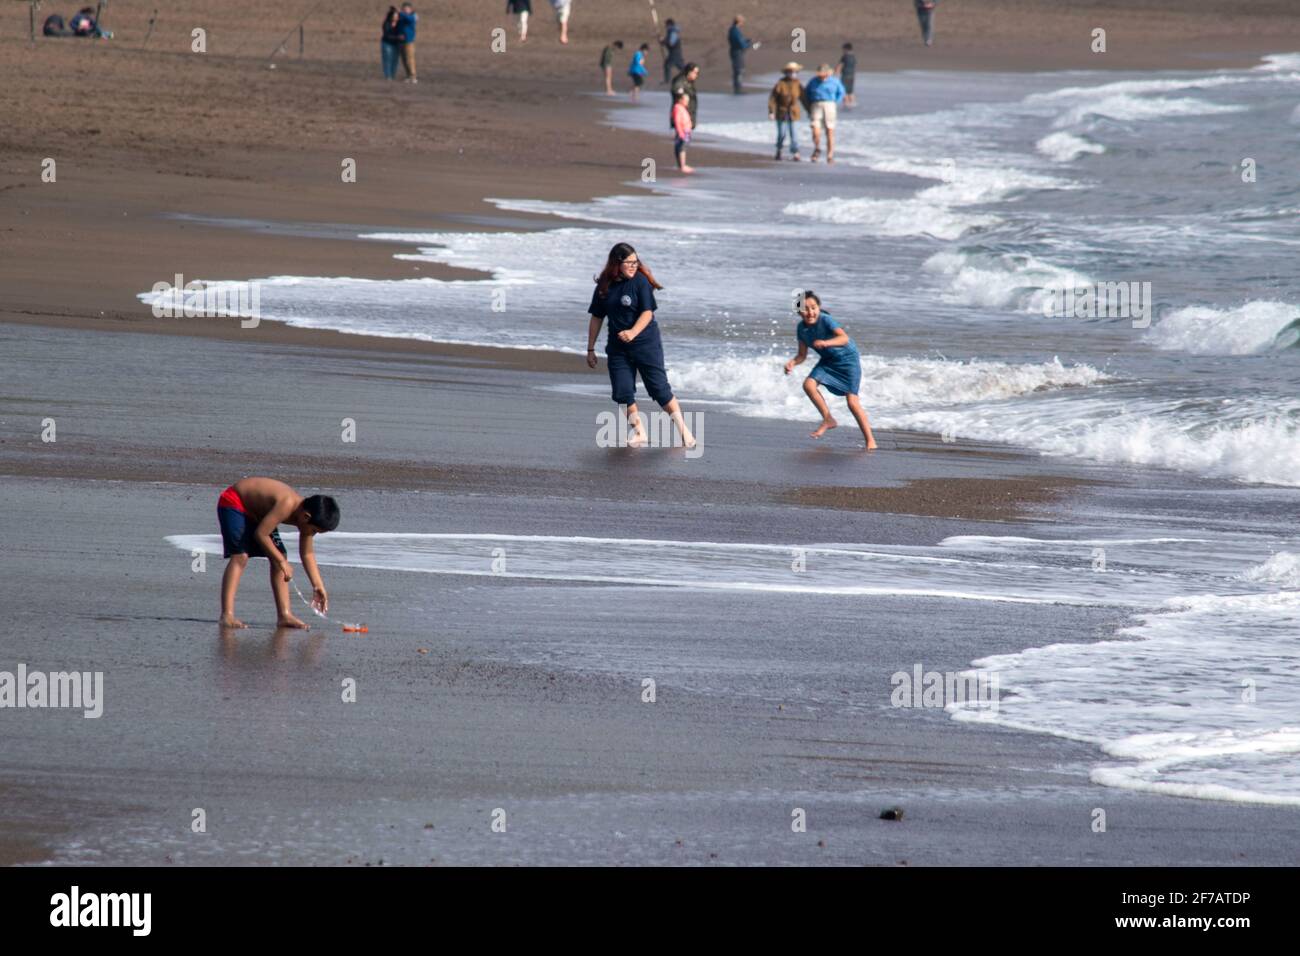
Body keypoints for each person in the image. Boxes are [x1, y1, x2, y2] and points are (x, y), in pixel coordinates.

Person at [585, 243, 696, 450]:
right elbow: (596, 317)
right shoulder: (604, 287)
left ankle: (684, 432)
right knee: (622, 392)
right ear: (617, 263)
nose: (634, 266)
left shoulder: (640, 282)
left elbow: (647, 313)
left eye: (636, 262)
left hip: (646, 345)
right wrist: (590, 348)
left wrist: (633, 332)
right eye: (629, 263)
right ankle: (639, 432)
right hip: (618, 349)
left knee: (659, 389)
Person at [216, 478, 341, 629]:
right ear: (305, 517)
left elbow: (307, 554)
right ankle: (227, 615)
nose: (312, 535)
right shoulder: (287, 504)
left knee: (280, 555)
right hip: (235, 501)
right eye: (314, 531)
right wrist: (282, 562)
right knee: (240, 556)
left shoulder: (306, 519)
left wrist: (318, 585)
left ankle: (284, 615)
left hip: (260, 513)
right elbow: (261, 534)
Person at [783, 291, 877, 449]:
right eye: (806, 309)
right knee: (808, 385)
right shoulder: (801, 329)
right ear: (799, 312)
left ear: (819, 307)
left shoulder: (826, 320)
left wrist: (826, 343)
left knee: (852, 402)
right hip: (828, 361)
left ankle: (870, 441)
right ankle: (828, 419)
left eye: (814, 307)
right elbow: (801, 355)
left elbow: (844, 338)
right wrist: (792, 362)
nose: (811, 312)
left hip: (848, 360)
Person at [805, 63, 845, 163]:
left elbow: (841, 92)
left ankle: (830, 155)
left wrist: (835, 102)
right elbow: (807, 93)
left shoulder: (834, 81)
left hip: (830, 104)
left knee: (830, 130)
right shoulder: (813, 81)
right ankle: (817, 148)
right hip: (816, 104)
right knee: (815, 129)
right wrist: (809, 104)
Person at [768, 62, 803, 161]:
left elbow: (804, 98)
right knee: (782, 134)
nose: (793, 74)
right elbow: (773, 99)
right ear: (787, 72)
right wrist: (771, 112)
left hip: (793, 112)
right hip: (781, 112)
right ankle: (779, 150)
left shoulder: (798, 84)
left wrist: (810, 110)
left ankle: (796, 153)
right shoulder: (780, 83)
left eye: (795, 72)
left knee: (794, 134)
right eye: (791, 72)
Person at [727, 16, 757, 94]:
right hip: (737, 52)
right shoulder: (735, 31)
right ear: (739, 22)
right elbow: (741, 44)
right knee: (739, 70)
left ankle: (737, 88)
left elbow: (740, 41)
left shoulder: (733, 30)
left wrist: (747, 41)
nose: (742, 24)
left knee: (738, 70)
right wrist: (748, 44)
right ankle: (738, 89)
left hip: (735, 52)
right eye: (742, 22)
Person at [670, 63, 699, 131]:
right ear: (689, 72)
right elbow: (676, 90)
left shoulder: (689, 82)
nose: (696, 75)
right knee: (681, 137)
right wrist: (682, 95)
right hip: (681, 115)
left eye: (697, 73)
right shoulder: (680, 81)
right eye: (695, 72)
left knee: (684, 137)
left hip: (688, 115)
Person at [672, 91, 694, 173]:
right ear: (680, 100)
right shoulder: (678, 107)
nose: (687, 102)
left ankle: (681, 165)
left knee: (681, 148)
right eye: (686, 100)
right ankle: (682, 166)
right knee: (682, 148)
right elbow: (677, 121)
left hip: (686, 131)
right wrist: (680, 132)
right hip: (683, 131)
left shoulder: (681, 108)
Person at [381, 7, 404, 81]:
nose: (396, 17)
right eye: (394, 16)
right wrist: (397, 37)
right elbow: (387, 35)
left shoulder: (400, 23)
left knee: (395, 60)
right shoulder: (386, 23)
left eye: (397, 16)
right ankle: (388, 76)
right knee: (387, 60)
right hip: (387, 43)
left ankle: (392, 75)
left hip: (396, 44)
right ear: (391, 16)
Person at [660, 18, 685, 85]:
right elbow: (667, 42)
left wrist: (663, 41)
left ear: (669, 24)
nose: (665, 27)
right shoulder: (671, 32)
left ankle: (667, 81)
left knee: (667, 65)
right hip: (675, 54)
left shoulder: (673, 32)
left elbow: (671, 43)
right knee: (681, 68)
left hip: (674, 54)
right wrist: (662, 42)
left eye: (666, 25)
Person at [397, 3, 418, 83]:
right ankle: (408, 75)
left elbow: (409, 19)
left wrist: (400, 13)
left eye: (407, 9)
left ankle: (413, 76)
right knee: (404, 59)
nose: (405, 10)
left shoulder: (412, 17)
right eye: (404, 9)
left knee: (410, 59)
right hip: (401, 41)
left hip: (409, 42)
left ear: (411, 10)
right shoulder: (401, 18)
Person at [837, 42, 857, 108]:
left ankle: (846, 104)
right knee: (850, 91)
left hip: (845, 76)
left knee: (843, 91)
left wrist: (836, 73)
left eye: (843, 49)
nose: (842, 51)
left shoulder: (845, 56)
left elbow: (840, 66)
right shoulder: (853, 56)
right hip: (852, 76)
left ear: (846, 49)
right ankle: (853, 104)